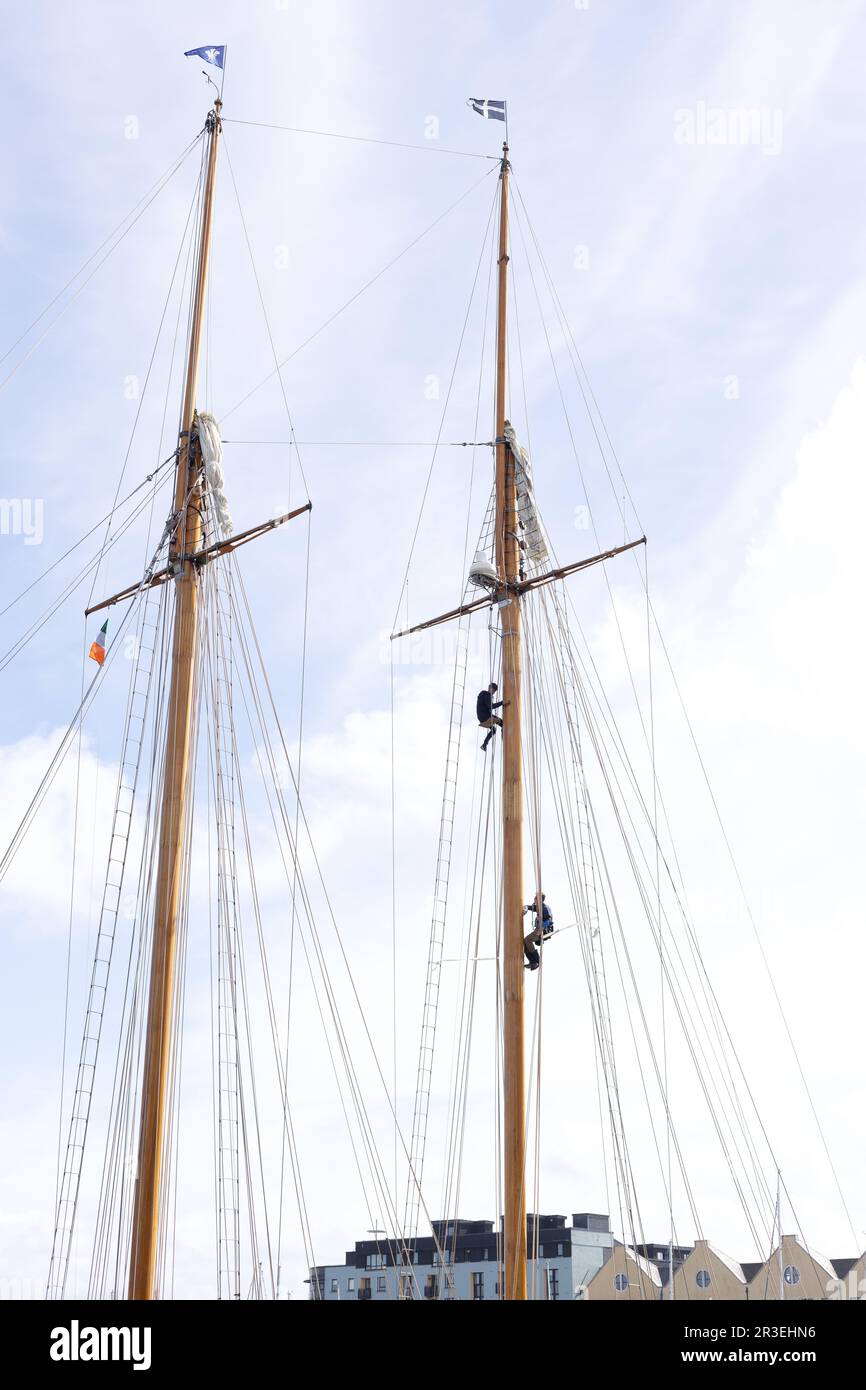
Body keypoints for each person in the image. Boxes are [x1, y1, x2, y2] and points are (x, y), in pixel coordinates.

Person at [523, 893, 554, 970]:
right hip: (540, 929)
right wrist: (526, 907)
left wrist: (541, 929)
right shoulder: (540, 907)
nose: (534, 899)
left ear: (539, 899)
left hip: (543, 930)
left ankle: (537, 961)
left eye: (535, 898)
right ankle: (533, 962)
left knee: (527, 940)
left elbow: (548, 920)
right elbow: (533, 908)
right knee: (525, 941)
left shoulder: (544, 907)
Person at [476, 682, 508, 751]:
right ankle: (504, 735)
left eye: (494, 691)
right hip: (485, 716)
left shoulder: (484, 695)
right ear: (489, 688)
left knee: (493, 730)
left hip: (482, 717)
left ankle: (484, 745)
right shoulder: (486, 695)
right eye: (493, 690)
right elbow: (491, 706)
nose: (493, 692)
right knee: (503, 723)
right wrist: (501, 703)